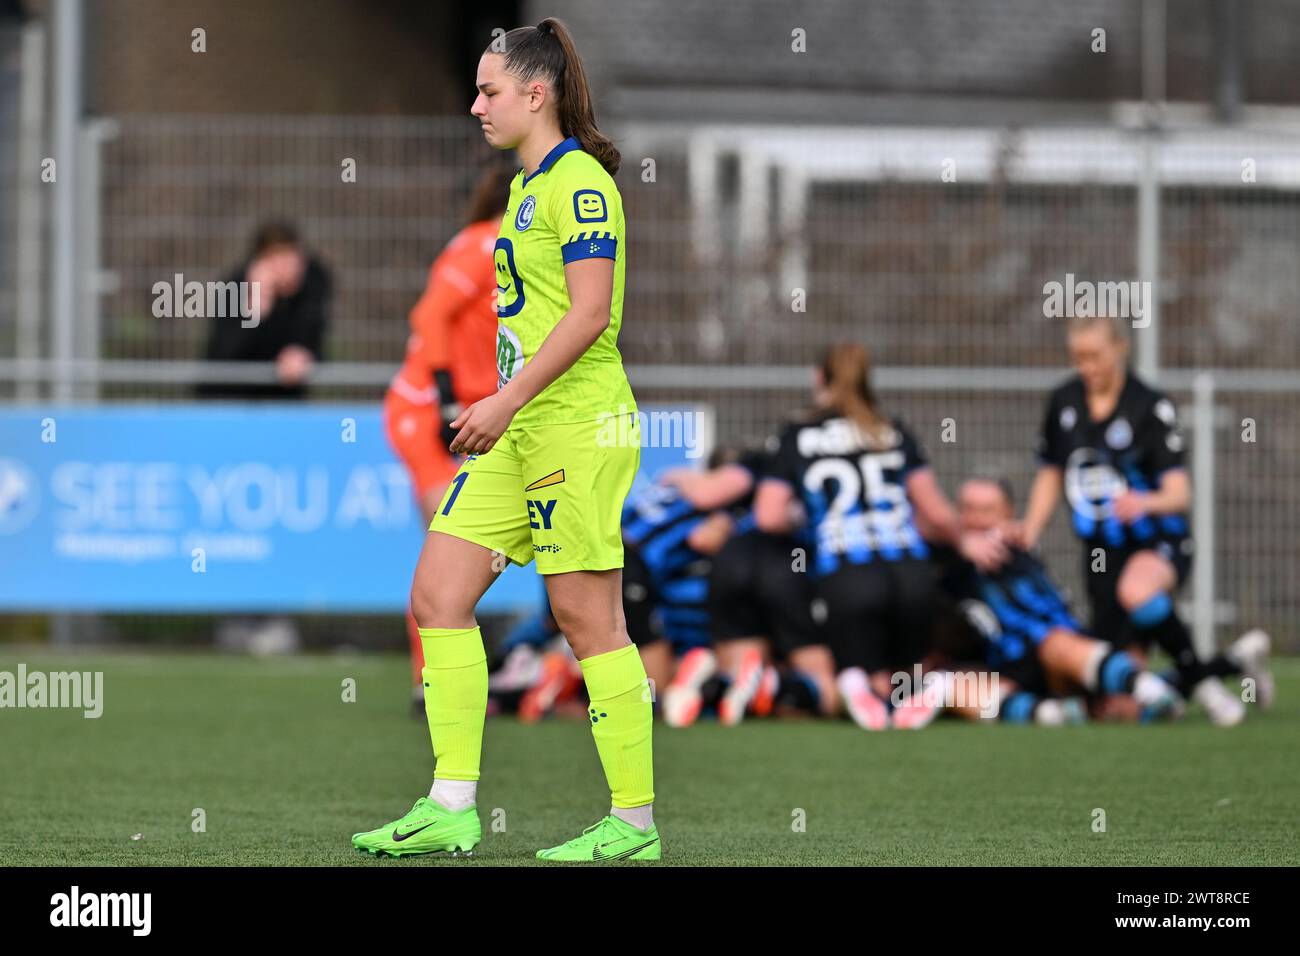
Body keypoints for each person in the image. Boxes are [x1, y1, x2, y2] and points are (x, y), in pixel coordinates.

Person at [352, 18, 659, 863]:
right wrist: (507, 404)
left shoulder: (580, 183)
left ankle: (633, 825)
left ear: (536, 92)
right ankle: (452, 806)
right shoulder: (524, 188)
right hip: (521, 426)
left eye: (489, 91)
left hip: (575, 425)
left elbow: (591, 317)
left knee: (587, 620)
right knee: (437, 596)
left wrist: (504, 397)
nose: (475, 105)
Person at [1016, 313, 1266, 726]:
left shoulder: (1149, 406)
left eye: (1095, 356)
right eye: (1078, 357)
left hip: (1158, 542)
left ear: (1120, 348)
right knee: (1120, 703)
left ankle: (1207, 689)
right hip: (1102, 555)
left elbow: (1179, 494)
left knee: (1136, 589)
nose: (1087, 367)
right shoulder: (1064, 401)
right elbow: (1051, 473)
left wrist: (1144, 502)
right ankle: (1233, 663)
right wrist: (1030, 528)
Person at [754, 343, 1003, 731]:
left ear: (819, 378)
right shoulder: (891, 429)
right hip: (910, 571)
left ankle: (856, 687)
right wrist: (965, 542)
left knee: (861, 678)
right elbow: (936, 512)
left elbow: (768, 516)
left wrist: (807, 518)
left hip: (847, 570)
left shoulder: (797, 434)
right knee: (900, 677)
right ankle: (921, 690)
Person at [383, 162, 515, 703]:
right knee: (447, 544)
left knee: (449, 554)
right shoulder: (485, 243)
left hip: (468, 414)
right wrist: (444, 396)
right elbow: (429, 315)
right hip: (426, 410)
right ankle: (430, 681)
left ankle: (445, 675)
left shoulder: (521, 250)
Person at [935, 475, 1183, 725]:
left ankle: (1152, 691)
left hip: (1057, 659)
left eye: (987, 510)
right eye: (969, 509)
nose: (977, 520)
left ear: (1008, 515)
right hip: (1002, 673)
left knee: (1054, 643)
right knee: (948, 684)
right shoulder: (946, 560)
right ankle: (1059, 713)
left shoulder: (1017, 552)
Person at [197, 220, 331, 400]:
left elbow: (312, 332)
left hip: (283, 400)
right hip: (231, 399)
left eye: (294, 258)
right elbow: (223, 355)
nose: (291, 268)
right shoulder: (234, 288)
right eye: (280, 259)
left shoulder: (311, 284)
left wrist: (301, 351)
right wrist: (256, 309)